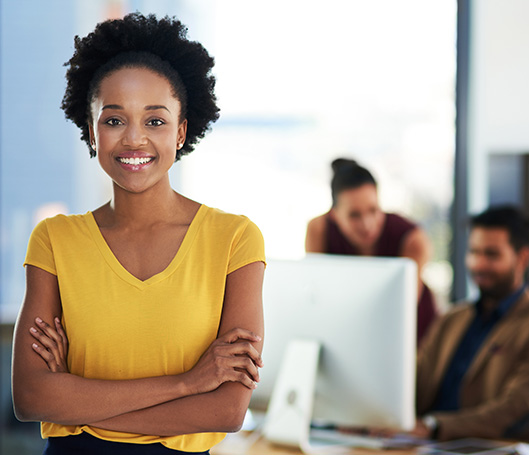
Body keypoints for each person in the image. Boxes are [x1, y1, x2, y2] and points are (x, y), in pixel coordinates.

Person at [11, 13, 265, 455]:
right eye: (113, 120)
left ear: (181, 131)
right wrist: (188, 383)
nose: (133, 139)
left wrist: (76, 401)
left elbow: (226, 411)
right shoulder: (54, 240)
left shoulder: (234, 239)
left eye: (155, 121)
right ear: (91, 131)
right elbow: (31, 397)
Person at [413, 206, 529, 444]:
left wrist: (435, 426)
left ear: (522, 258)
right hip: (426, 446)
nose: (478, 264)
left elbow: (514, 410)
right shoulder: (451, 320)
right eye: (473, 252)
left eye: (491, 255)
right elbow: (415, 383)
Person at [305, 158, 438, 345]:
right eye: (354, 215)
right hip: (347, 336)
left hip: (413, 338)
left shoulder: (414, 239)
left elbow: (401, 312)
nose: (367, 224)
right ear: (333, 215)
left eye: (373, 210)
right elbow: (315, 297)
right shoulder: (319, 229)